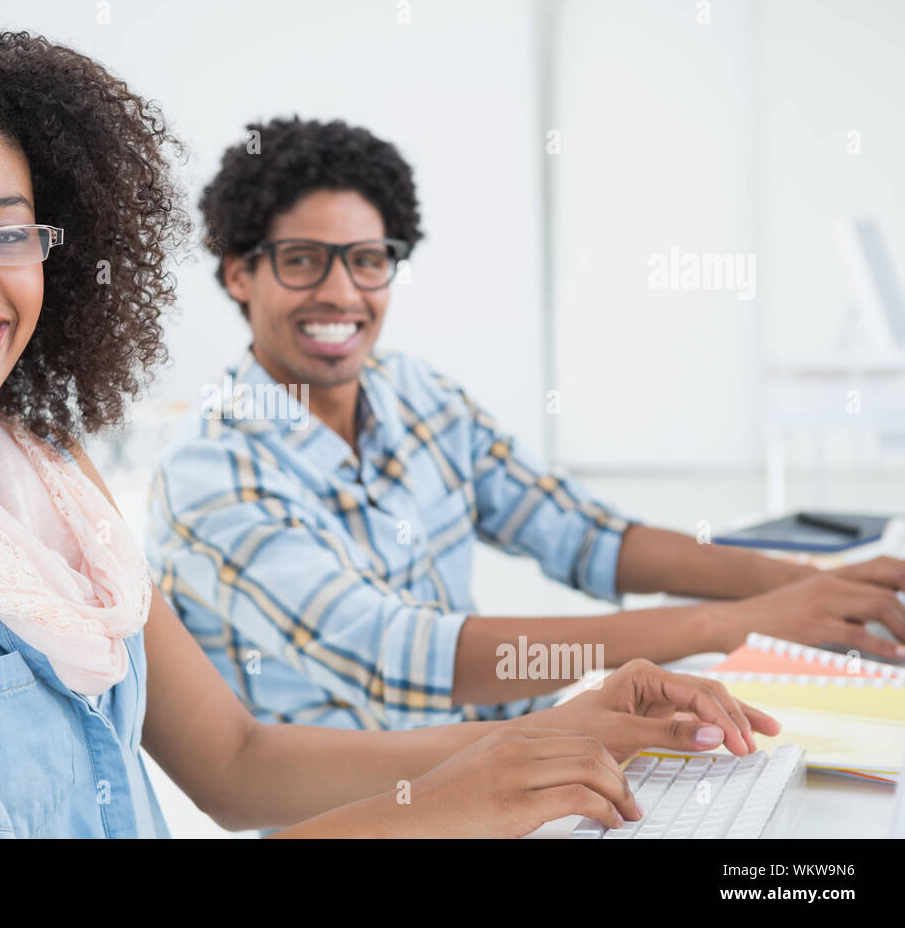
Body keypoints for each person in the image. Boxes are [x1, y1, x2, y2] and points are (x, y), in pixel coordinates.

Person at [0, 0, 776, 838]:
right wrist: (451, 799)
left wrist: (545, 731)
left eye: (10, 229)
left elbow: (232, 757)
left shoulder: (44, 474)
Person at [145, 116, 905, 730]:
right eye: (304, 260)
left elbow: (585, 535)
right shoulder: (212, 471)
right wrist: (732, 623)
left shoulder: (415, 392)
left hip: (510, 749)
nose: (343, 292)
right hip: (378, 806)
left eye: (369, 259)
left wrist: (817, 588)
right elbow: (410, 657)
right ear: (239, 272)